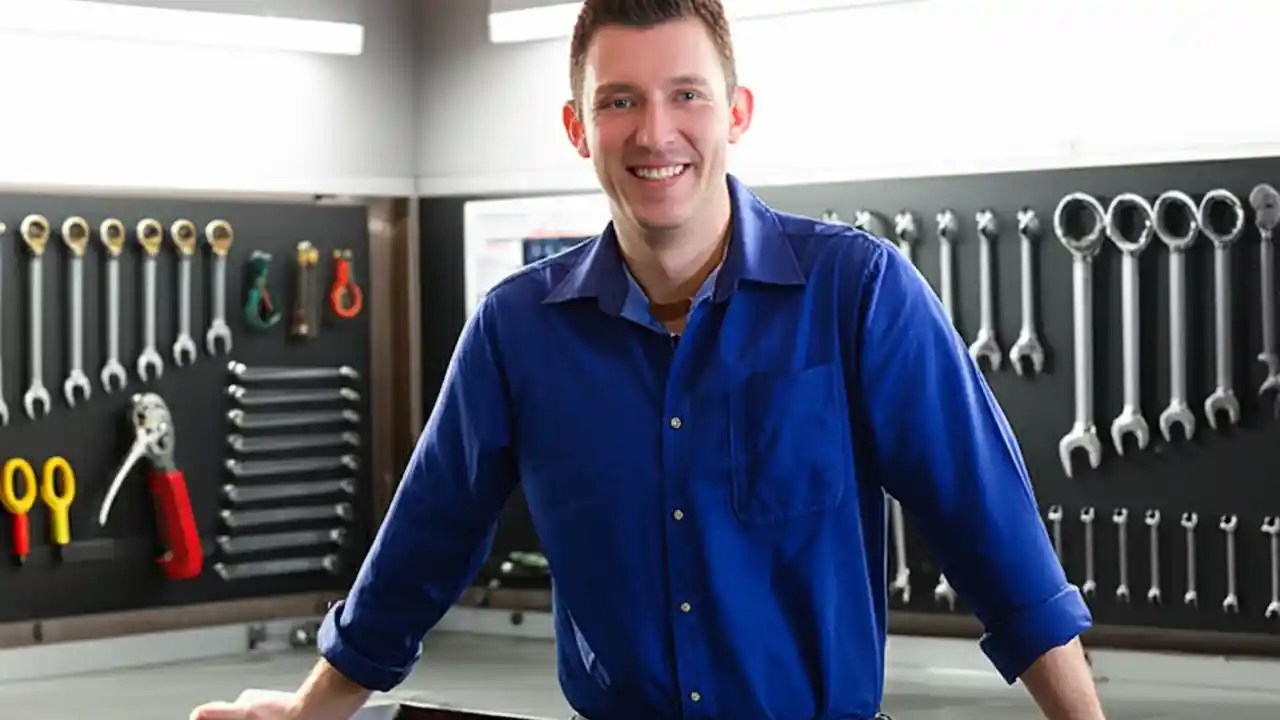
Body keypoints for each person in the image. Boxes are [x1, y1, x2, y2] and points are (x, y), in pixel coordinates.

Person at [192, 1, 1104, 718]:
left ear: (736, 112)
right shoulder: (518, 331)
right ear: (578, 127)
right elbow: (424, 542)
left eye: (686, 95)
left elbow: (992, 536)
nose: (654, 132)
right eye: (619, 100)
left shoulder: (857, 293)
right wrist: (314, 710)